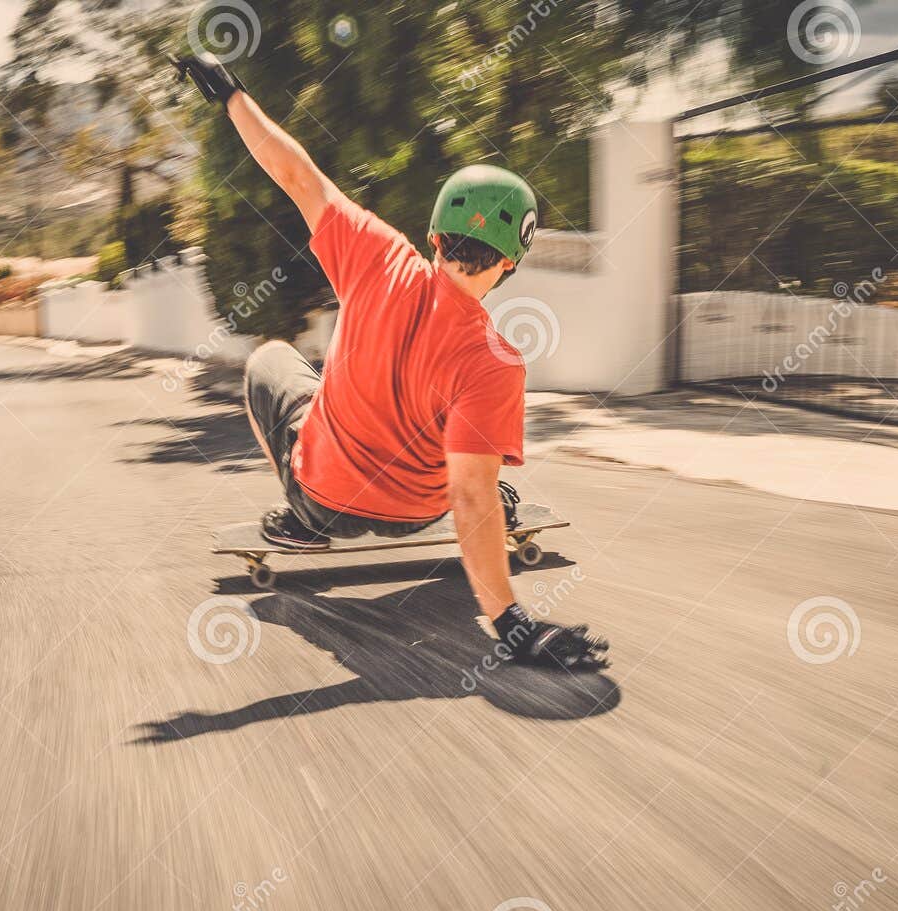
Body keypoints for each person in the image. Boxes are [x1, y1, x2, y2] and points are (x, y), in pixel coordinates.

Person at [173, 53, 608, 671]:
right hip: (419, 513)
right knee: (482, 471)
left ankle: (301, 520)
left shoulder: (376, 255)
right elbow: (470, 494)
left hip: (322, 500)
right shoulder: (496, 361)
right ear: (511, 260)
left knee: (272, 359)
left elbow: (296, 174)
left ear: (435, 236)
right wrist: (512, 624)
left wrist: (230, 94)